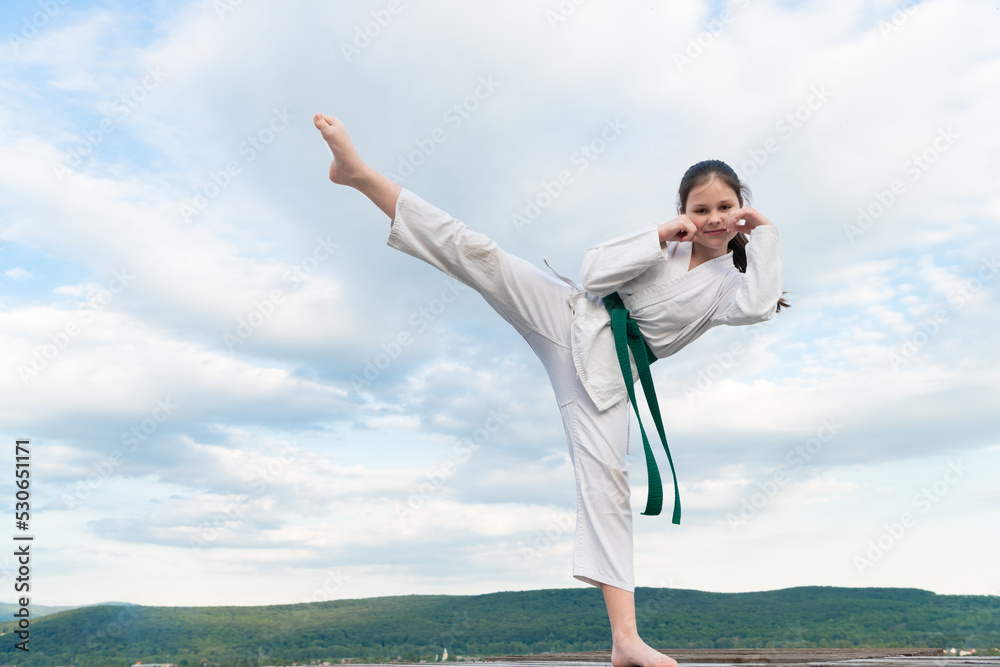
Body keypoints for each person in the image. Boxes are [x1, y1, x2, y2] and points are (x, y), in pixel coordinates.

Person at [314, 112, 788, 667]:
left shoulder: (733, 284)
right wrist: (658, 235)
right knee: (478, 252)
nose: (713, 218)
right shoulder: (663, 244)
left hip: (605, 373)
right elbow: (592, 274)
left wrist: (767, 233)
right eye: (699, 209)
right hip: (569, 314)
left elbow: (759, 306)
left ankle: (624, 641)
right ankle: (359, 174)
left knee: (608, 482)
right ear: (683, 211)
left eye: (725, 208)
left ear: (741, 210)